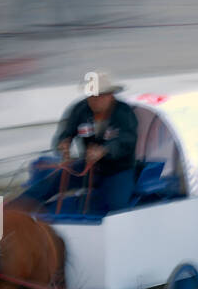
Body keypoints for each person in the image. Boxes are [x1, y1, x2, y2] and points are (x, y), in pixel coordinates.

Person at [22, 73, 138, 214]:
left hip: (118, 171)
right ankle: (9, 213)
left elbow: (126, 141)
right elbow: (65, 133)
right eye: (91, 96)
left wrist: (104, 150)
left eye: (99, 95)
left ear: (111, 95)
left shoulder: (124, 113)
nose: (94, 100)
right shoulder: (79, 109)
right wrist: (63, 145)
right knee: (46, 185)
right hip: (89, 167)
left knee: (116, 208)